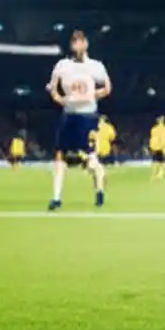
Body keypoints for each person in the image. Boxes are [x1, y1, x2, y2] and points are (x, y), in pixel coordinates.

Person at [47, 30, 111, 210]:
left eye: (81, 41)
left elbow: (107, 88)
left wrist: (91, 95)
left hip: (88, 116)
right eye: (75, 41)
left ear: (86, 44)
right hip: (69, 115)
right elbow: (53, 89)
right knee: (59, 155)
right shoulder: (63, 65)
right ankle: (56, 197)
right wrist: (62, 100)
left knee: (89, 157)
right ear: (71, 45)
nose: (78, 45)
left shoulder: (95, 66)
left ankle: (99, 188)